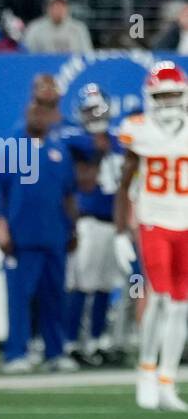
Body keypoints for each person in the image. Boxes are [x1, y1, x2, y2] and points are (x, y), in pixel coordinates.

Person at [115, 62, 188, 410]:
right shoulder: (138, 130)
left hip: (186, 224)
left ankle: (167, 379)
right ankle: (146, 370)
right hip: (153, 222)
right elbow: (124, 182)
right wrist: (119, 231)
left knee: (181, 306)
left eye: (174, 94)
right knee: (158, 298)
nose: (169, 101)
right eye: (162, 95)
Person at [0, 97, 81, 373]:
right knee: (20, 296)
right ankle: (16, 353)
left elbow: (68, 194)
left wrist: (73, 227)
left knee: (54, 295)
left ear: (52, 117)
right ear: (26, 113)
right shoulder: (10, 148)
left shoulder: (60, 150)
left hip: (55, 234)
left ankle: (55, 351)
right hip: (22, 237)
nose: (39, 117)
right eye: (34, 112)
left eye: (44, 113)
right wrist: (1, 226)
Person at [64, 84, 125, 365]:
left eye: (99, 108)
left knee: (104, 286)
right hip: (88, 222)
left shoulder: (120, 141)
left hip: (115, 223)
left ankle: (99, 341)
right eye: (89, 110)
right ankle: (72, 343)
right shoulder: (76, 139)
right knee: (83, 285)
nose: (95, 115)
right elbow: (75, 143)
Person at [22, 0, 94, 53]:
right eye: (54, 5)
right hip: (44, 66)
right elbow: (26, 54)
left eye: (61, 5)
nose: (58, 9)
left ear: (67, 8)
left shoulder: (79, 28)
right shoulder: (35, 28)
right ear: (47, 8)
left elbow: (87, 54)